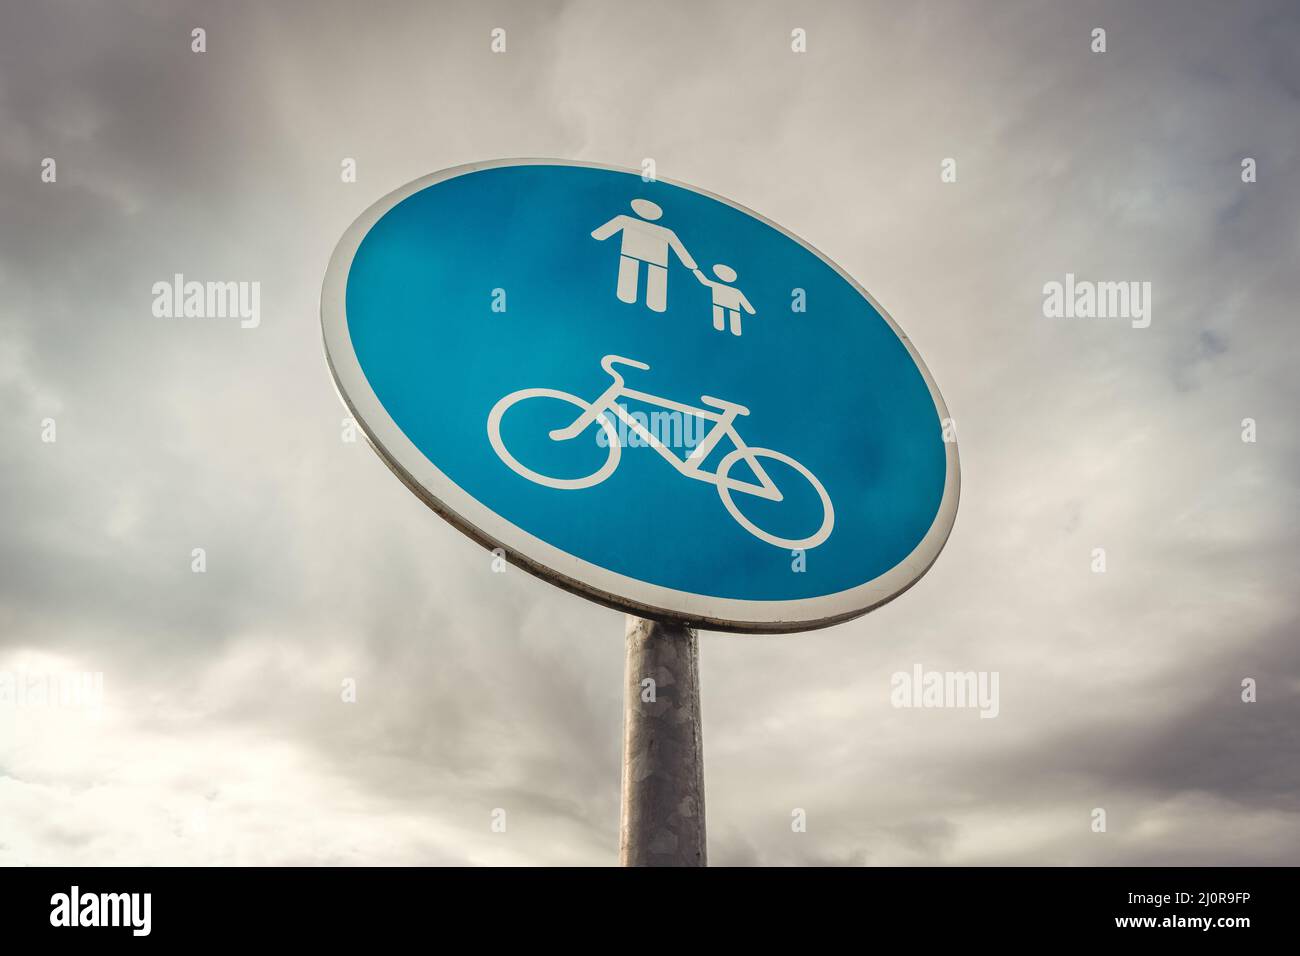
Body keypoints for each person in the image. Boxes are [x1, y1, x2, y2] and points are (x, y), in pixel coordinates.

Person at [590, 199, 697, 313]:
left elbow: (600, 234)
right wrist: (690, 265)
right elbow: (680, 251)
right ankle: (652, 303)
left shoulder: (628, 220)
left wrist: (690, 264)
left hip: (636, 256)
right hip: (648, 259)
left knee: (639, 281)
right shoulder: (664, 231)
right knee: (648, 281)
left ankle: (637, 299)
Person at [692, 264, 755, 336]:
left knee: (733, 318)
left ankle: (733, 330)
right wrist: (697, 272)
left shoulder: (735, 291)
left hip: (731, 307)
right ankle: (722, 327)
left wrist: (750, 309)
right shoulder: (731, 289)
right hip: (721, 305)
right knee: (721, 317)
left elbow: (705, 281)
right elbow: (705, 281)